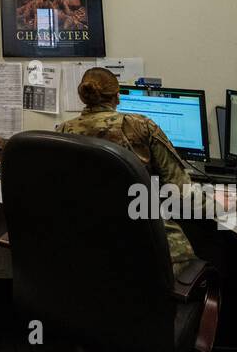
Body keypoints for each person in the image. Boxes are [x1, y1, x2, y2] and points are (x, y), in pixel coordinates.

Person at [55, 67, 197, 271]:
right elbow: (180, 189)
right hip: (145, 244)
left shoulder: (63, 132)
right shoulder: (141, 125)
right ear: (117, 97)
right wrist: (219, 202)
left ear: (84, 97)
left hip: (87, 245)